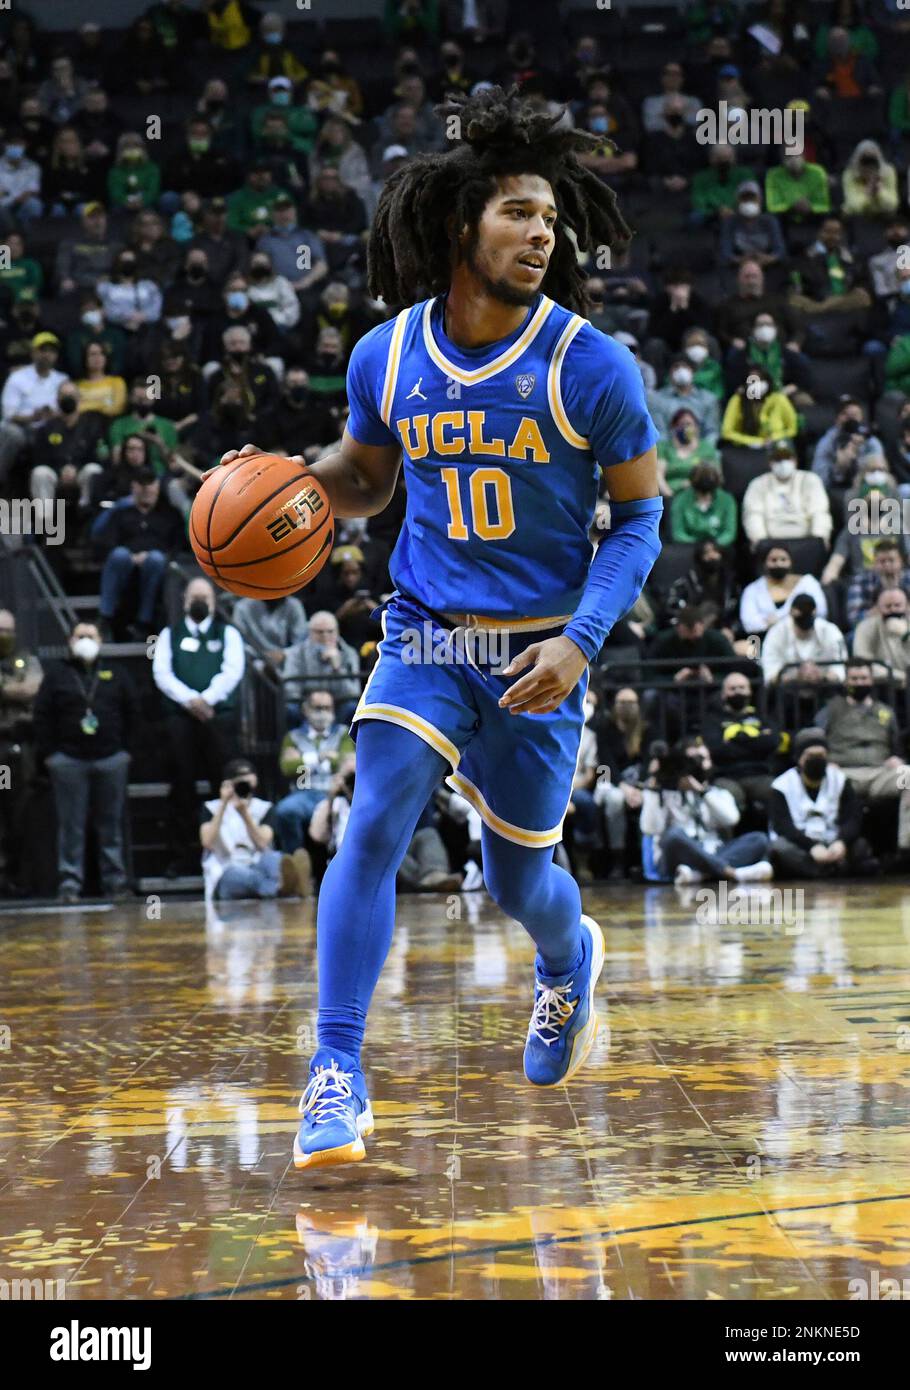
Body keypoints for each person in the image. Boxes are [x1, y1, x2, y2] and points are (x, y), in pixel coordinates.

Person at [211, 86, 663, 1168]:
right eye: (518, 211)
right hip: (425, 632)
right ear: (462, 225)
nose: (542, 231)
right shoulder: (386, 354)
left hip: (540, 650)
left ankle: (567, 965)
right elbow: (365, 478)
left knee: (520, 886)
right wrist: (285, 484)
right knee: (369, 827)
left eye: (550, 217)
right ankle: (336, 1070)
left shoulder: (589, 365)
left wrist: (580, 642)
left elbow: (642, 517)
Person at [33, 621, 135, 903]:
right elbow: (42, 716)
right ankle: (69, 883)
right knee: (71, 825)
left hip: (110, 758)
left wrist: (125, 752)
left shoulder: (116, 673)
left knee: (111, 824)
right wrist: (52, 756)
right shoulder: (57, 675)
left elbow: (133, 713)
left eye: (91, 635)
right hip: (69, 761)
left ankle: (115, 882)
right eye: (80, 636)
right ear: (70, 641)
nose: (86, 640)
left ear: (101, 640)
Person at [153, 577, 245, 875]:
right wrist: (192, 701)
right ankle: (183, 857)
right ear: (183, 602)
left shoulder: (227, 633)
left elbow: (232, 671)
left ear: (214, 602)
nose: (200, 602)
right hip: (181, 719)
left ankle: (228, 853)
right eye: (195, 597)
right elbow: (162, 674)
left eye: (205, 597)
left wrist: (207, 700)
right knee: (182, 786)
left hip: (218, 718)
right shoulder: (170, 634)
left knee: (224, 785)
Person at [640, 738, 773, 885]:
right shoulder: (661, 795)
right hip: (675, 860)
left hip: (713, 853)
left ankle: (700, 875)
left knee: (758, 839)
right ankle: (730, 872)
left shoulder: (715, 792)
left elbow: (731, 818)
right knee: (673, 835)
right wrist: (654, 788)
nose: (697, 764)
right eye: (692, 760)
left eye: (702, 758)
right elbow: (650, 829)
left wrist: (702, 792)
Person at [769, 728, 877, 879]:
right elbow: (783, 826)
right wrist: (812, 847)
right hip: (802, 845)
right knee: (780, 848)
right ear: (799, 758)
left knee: (860, 846)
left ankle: (829, 868)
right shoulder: (782, 785)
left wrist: (842, 841)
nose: (816, 760)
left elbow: (853, 817)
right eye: (810, 756)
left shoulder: (840, 780)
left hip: (833, 843)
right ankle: (826, 871)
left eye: (820, 755)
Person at [201, 758, 311, 902]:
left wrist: (244, 813)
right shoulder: (212, 808)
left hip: (257, 862)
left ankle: (287, 885)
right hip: (226, 869)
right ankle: (287, 887)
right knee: (246, 876)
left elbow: (263, 843)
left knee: (275, 858)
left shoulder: (264, 808)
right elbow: (207, 841)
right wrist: (223, 804)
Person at [93, 473, 183, 640]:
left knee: (156, 559)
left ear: (157, 487)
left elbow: (176, 547)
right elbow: (106, 542)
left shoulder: (170, 514)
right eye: (142, 485)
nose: (146, 490)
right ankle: (105, 616)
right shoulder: (121, 513)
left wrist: (149, 556)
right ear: (134, 487)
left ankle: (144, 621)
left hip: (156, 569)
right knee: (118, 555)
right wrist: (132, 557)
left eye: (150, 485)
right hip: (125, 566)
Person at [274, 691, 356, 851]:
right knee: (285, 810)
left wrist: (304, 759)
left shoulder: (343, 733)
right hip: (303, 792)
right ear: (306, 710)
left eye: (327, 708)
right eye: (318, 708)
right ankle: (296, 862)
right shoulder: (293, 736)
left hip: (335, 793)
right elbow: (287, 768)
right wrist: (321, 758)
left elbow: (345, 763)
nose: (323, 713)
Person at [0, 609, 42, 895]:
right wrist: (15, 689)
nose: (5, 636)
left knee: (20, 811)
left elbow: (33, 687)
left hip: (20, 745)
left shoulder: (26, 658)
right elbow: (19, 690)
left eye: (8, 631)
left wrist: (8, 689)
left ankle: (18, 877)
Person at [702, 671, 783, 817]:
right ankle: (725, 840)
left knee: (778, 791)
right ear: (723, 694)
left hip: (760, 774)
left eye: (741, 687)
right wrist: (755, 742)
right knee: (723, 798)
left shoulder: (762, 718)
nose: (738, 692)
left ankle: (776, 836)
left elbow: (772, 742)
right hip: (726, 776)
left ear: (750, 691)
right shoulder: (713, 720)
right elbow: (716, 749)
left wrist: (734, 740)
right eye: (732, 689)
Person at [0, 331, 69, 482]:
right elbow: (8, 414)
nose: (47, 355)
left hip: (51, 429)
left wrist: (53, 415)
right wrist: (33, 416)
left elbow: (69, 410)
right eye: (42, 350)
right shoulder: (18, 377)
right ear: (33, 353)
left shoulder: (62, 379)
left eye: (51, 351)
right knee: (10, 432)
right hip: (24, 429)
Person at [742, 445, 832, 548]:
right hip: (770, 543)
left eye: (787, 458)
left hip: (805, 542)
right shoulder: (758, 483)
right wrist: (760, 542)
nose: (782, 463)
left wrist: (819, 539)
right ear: (770, 462)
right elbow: (753, 515)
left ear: (795, 461)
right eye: (778, 459)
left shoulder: (810, 479)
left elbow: (819, 512)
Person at [283, 610, 362, 720]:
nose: (325, 636)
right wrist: (312, 699)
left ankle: (344, 737)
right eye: (319, 632)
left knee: (352, 707)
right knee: (290, 709)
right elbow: (290, 690)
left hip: (337, 704)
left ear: (337, 632)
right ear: (310, 633)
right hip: (306, 705)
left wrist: (337, 668)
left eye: (330, 631)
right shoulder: (296, 653)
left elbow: (353, 692)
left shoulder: (349, 653)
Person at [760, 592, 847, 686]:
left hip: (824, 687)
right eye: (801, 619)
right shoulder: (776, 633)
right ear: (791, 612)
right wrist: (796, 677)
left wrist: (823, 676)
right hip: (788, 691)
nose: (804, 627)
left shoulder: (830, 630)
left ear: (815, 613)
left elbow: (840, 668)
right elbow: (770, 674)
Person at [739, 543, 827, 635]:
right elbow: (749, 624)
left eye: (783, 559)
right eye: (773, 560)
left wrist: (774, 620)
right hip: (765, 638)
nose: (779, 564)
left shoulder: (808, 583)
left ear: (791, 562)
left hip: (804, 634)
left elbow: (821, 612)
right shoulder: (752, 589)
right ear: (764, 563)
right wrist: (794, 615)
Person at [720, 366, 798, 449]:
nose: (757, 385)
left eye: (761, 380)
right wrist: (753, 441)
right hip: (745, 448)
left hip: (774, 445)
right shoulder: (737, 400)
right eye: (753, 381)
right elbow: (726, 432)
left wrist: (774, 437)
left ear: (767, 382)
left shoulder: (779, 399)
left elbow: (792, 429)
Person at [669, 463, 737, 547]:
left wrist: (714, 545)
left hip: (719, 546)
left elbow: (729, 533)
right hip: (690, 547)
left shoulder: (727, 500)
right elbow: (678, 533)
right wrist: (699, 545)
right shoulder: (680, 500)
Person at [656, 408, 720, 496]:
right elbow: (658, 475)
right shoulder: (664, 448)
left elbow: (715, 476)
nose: (685, 428)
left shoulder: (706, 448)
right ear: (673, 427)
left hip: (699, 495)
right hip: (670, 496)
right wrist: (669, 495)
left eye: (689, 424)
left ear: (696, 427)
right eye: (681, 424)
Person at [853, 588, 910, 686]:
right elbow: (863, 663)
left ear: (907, 606)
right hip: (882, 686)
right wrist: (902, 676)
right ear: (877, 608)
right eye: (887, 606)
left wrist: (906, 634)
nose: (893, 609)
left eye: (897, 605)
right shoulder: (865, 627)